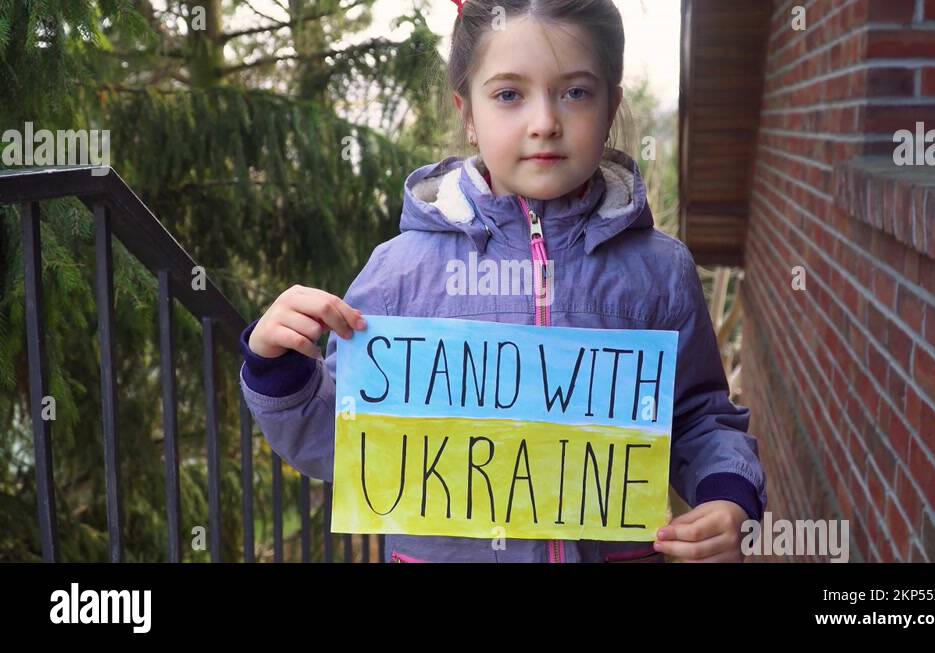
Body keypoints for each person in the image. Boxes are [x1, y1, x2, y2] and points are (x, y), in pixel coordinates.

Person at [239, 0, 767, 563]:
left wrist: (729, 494)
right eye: (510, 94)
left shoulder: (661, 273)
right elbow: (343, 440)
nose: (545, 121)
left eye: (576, 92)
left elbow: (696, 416)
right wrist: (279, 370)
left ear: (611, 105)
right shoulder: (398, 274)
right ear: (467, 112)